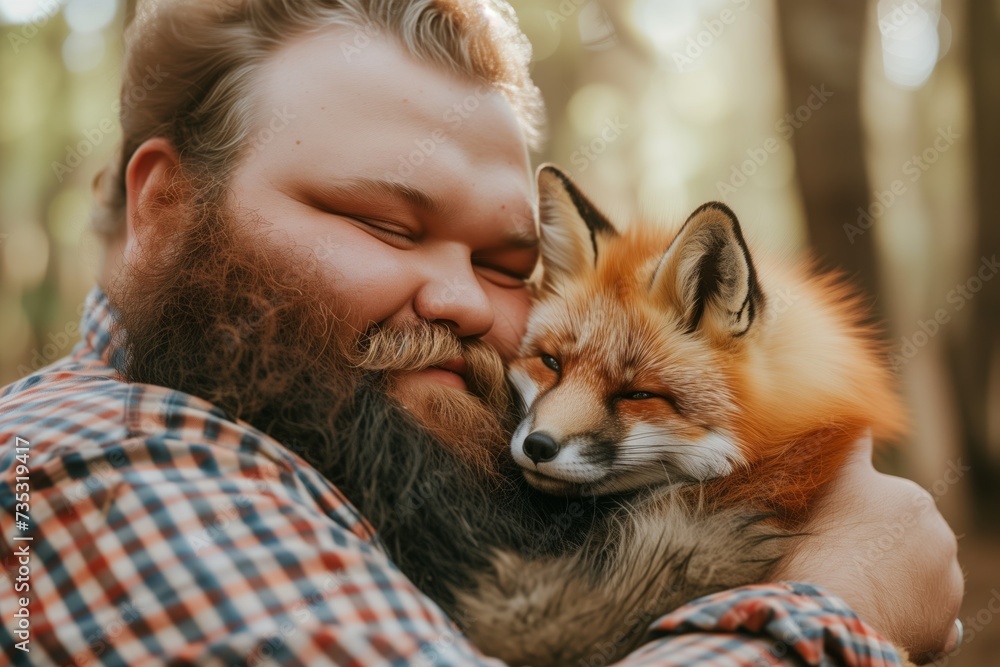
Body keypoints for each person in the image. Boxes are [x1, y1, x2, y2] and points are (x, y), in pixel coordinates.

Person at [0, 0, 962, 664]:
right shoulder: (90, 461)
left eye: (507, 265)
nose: (464, 304)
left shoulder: (365, 458)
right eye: (382, 222)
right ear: (164, 209)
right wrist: (844, 594)